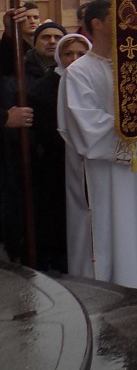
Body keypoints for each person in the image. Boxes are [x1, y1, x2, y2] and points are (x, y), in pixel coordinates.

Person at [58, 0, 137, 292]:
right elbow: (84, 124)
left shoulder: (133, 66)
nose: (125, 22)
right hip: (102, 169)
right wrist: (131, 124)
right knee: (112, 228)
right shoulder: (78, 72)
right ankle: (107, 291)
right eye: (116, 17)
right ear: (96, 23)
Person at [1, 21, 67, 268]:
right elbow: (7, 79)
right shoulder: (23, 72)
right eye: (45, 37)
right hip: (31, 157)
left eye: (57, 37)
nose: (51, 42)